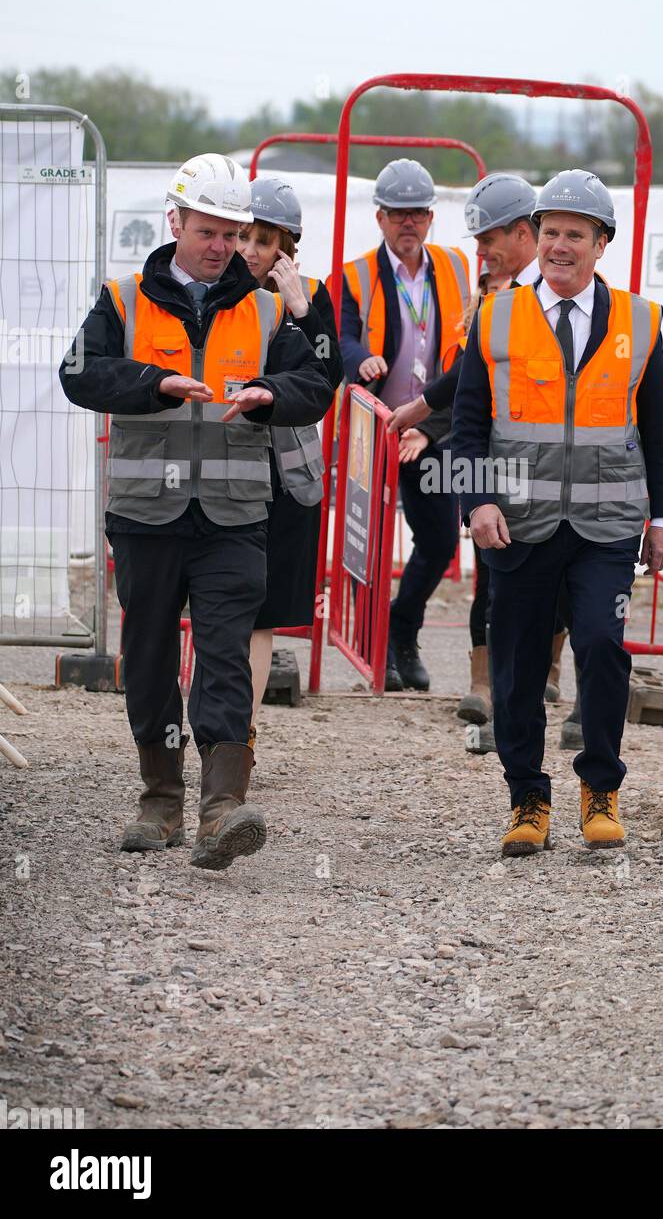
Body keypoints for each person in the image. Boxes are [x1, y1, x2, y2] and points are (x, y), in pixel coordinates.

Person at [59, 154, 335, 870]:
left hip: (234, 517)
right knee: (149, 657)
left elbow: (315, 385)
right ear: (175, 222)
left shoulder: (267, 308)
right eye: (208, 230)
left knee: (224, 655)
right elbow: (80, 373)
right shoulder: (122, 301)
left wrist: (273, 392)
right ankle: (160, 799)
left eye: (232, 234)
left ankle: (220, 809)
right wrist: (154, 383)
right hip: (148, 515)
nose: (222, 246)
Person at [451, 169, 663, 856]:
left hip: (605, 529)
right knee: (517, 665)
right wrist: (476, 501)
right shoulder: (494, 317)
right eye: (548, 232)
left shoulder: (639, 322)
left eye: (573, 234)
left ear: (600, 244)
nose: (558, 245)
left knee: (600, 645)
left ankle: (600, 789)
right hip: (517, 527)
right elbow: (467, 424)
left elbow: (657, 426)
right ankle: (526, 798)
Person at [387, 172, 540, 724]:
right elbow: (468, 374)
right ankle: (487, 685)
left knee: (552, 576)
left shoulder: (546, 300)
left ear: (523, 233)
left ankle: (538, 678)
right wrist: (424, 411)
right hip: (494, 455)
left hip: (546, 462)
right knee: (492, 565)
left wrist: (423, 412)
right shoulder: (495, 302)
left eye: (488, 239)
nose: (480, 252)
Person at [335, 158, 469, 693]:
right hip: (374, 426)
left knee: (439, 541)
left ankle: (401, 629)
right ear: (381, 218)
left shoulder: (456, 268)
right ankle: (372, 651)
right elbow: (339, 336)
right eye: (397, 213)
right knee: (361, 541)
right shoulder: (355, 275)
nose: (407, 223)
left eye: (417, 213)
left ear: (431, 218)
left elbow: (474, 342)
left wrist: (434, 421)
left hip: (431, 428)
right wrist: (359, 359)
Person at [238, 177, 343, 746]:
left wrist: (301, 307)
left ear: (287, 246)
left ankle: (241, 734)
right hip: (223, 469)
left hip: (285, 477)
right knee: (221, 607)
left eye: (265, 240)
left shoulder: (310, 296)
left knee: (262, 612)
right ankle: (214, 724)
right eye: (245, 237)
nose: (251, 251)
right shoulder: (216, 294)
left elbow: (328, 380)